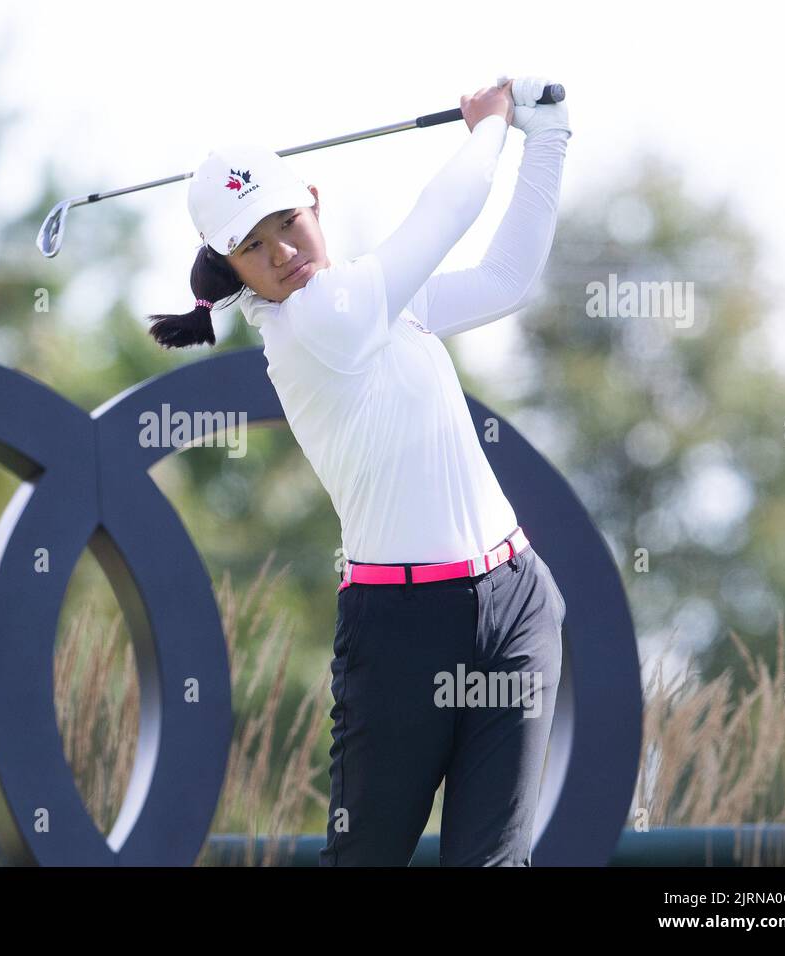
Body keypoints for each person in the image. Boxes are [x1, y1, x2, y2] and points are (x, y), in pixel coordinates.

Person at [146, 75, 571, 866]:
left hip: (516, 605)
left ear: (315, 199)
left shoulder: (378, 307)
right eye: (252, 244)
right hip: (402, 632)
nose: (280, 251)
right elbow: (446, 215)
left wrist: (547, 141)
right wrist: (489, 127)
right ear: (232, 267)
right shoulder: (316, 323)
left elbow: (507, 280)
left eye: (287, 221)